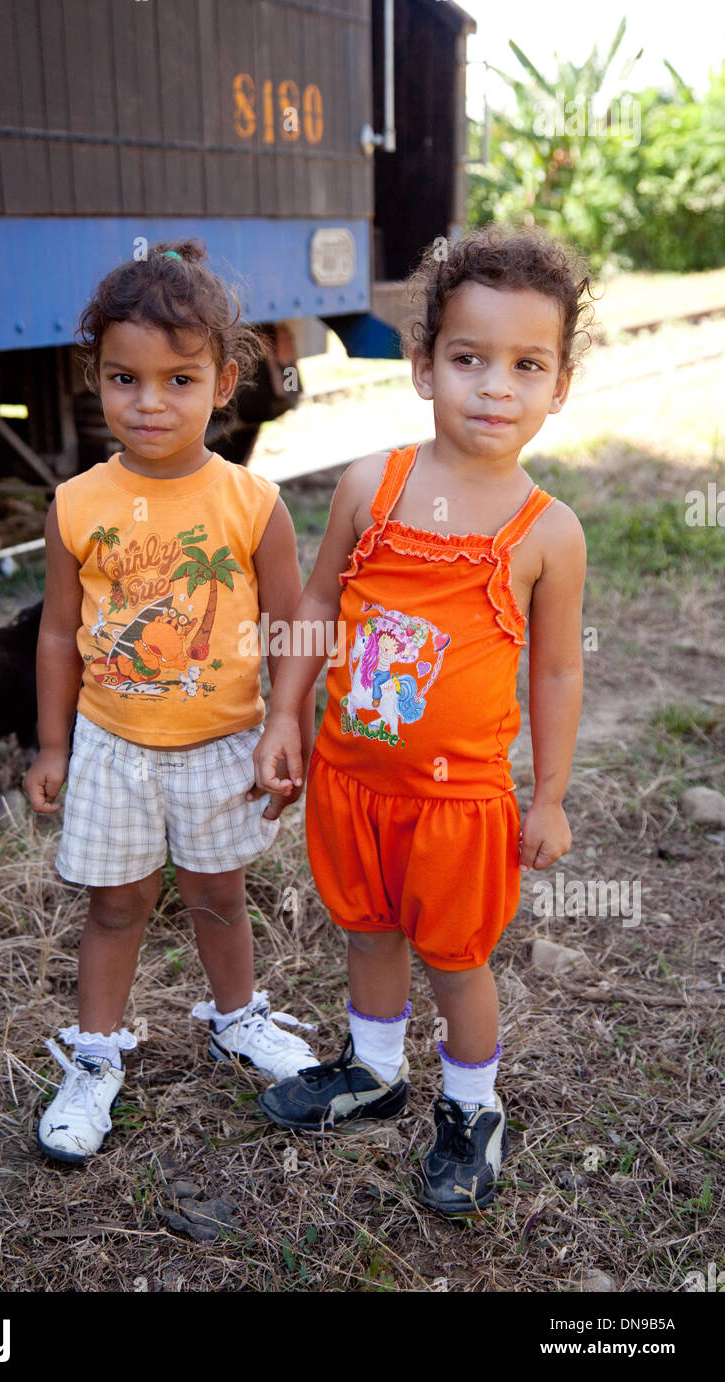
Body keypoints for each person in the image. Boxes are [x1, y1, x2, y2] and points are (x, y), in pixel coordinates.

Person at [251, 225, 591, 1215]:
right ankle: (370, 1067)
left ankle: (469, 1107)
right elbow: (314, 608)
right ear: (421, 367)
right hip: (351, 781)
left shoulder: (546, 533)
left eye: (525, 365)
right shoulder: (373, 485)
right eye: (467, 358)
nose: (494, 386)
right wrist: (285, 710)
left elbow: (558, 670)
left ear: (557, 386)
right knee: (363, 929)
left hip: (459, 806)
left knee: (454, 959)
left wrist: (552, 793)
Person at [23, 240, 317, 1165]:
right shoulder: (75, 503)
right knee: (117, 907)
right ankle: (96, 1059)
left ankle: (238, 1017)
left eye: (178, 379)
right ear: (96, 379)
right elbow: (59, 634)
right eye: (125, 378)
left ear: (224, 382)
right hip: (113, 743)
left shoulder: (252, 502)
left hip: (220, 744)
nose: (150, 403)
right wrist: (51, 745)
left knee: (220, 898)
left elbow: (292, 626)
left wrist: (285, 726)